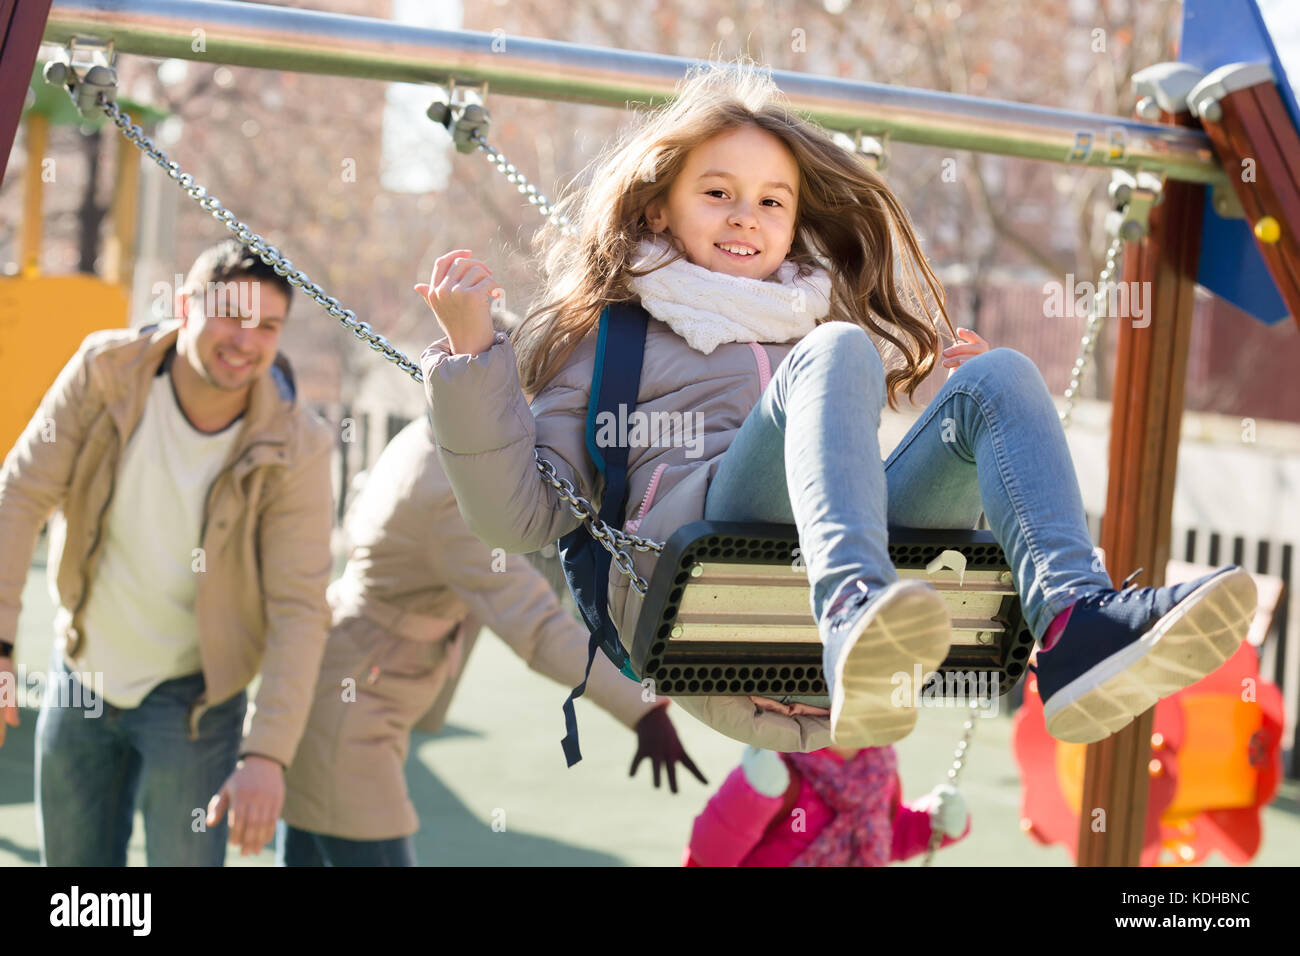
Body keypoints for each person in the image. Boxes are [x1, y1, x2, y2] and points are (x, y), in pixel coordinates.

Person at [411, 62, 1257, 755]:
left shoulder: (807, 330)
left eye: (772, 201)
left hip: (818, 591)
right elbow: (516, 517)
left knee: (995, 381)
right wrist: (468, 357)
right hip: (689, 578)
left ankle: (1077, 626)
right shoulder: (610, 338)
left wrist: (956, 416)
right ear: (656, 204)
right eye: (717, 193)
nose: (748, 217)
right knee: (842, 348)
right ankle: (856, 617)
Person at [0, 239, 335, 865]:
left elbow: (299, 604)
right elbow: (19, 496)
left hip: (196, 699)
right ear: (186, 305)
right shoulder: (105, 372)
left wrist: (266, 753)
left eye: (268, 326)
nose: (246, 341)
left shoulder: (300, 444)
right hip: (85, 666)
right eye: (232, 316)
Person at [277, 401, 705, 867]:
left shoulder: (423, 441)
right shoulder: (448, 494)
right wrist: (643, 709)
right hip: (350, 721)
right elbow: (536, 627)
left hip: (336, 691)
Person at [683, 745, 969, 866]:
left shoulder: (879, 774)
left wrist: (930, 822)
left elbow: (884, 831)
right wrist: (750, 797)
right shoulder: (787, 775)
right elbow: (707, 856)